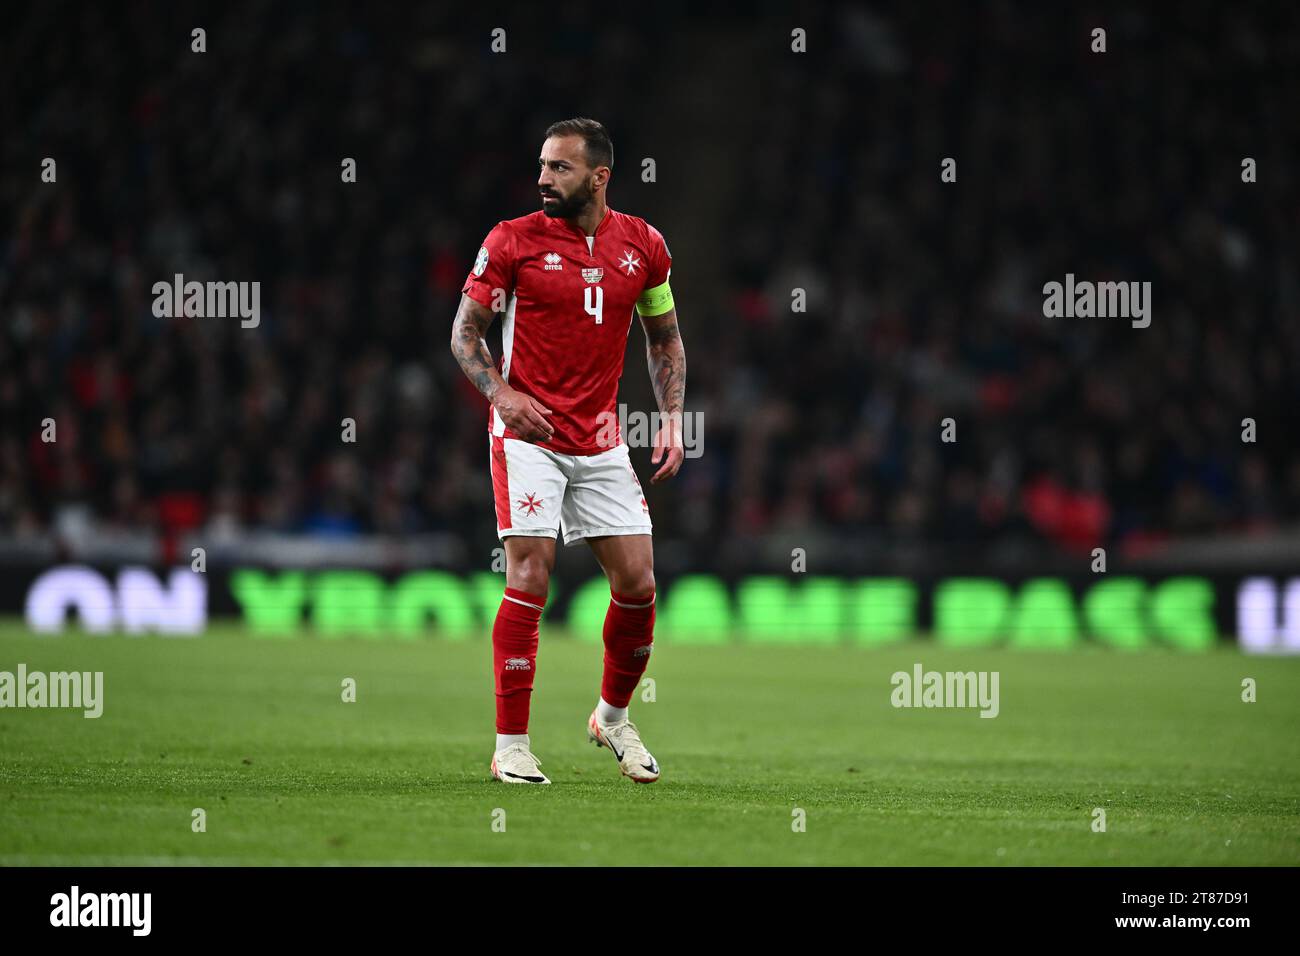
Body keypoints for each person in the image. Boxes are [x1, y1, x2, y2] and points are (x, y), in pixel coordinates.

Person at [450, 118, 687, 784]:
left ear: (599, 175)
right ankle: (511, 745)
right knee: (530, 575)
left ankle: (612, 718)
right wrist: (502, 395)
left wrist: (671, 420)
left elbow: (664, 339)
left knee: (638, 583)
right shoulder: (511, 241)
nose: (543, 178)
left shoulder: (645, 247)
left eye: (559, 168)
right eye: (542, 166)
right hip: (527, 432)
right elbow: (466, 335)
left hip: (601, 438)